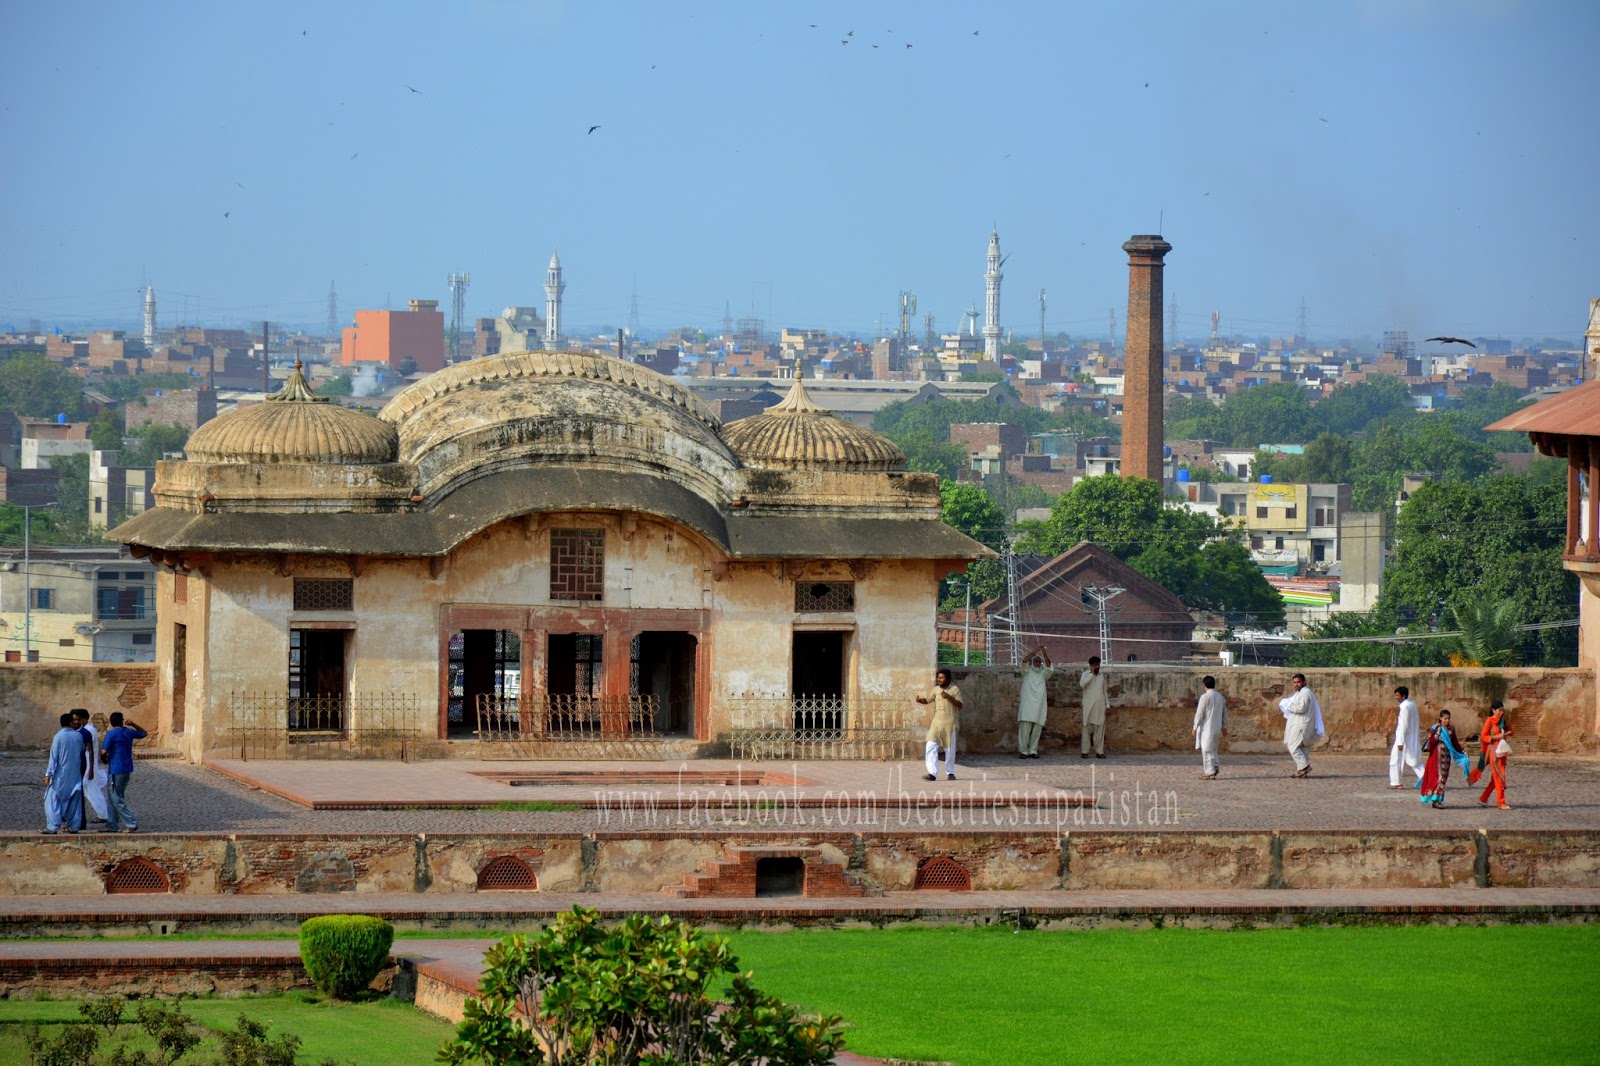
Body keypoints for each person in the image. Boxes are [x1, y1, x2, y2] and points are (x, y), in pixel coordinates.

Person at [99, 712, 148, 833]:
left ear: (111, 722)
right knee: (113, 797)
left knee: (116, 798)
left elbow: (103, 751)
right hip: (126, 768)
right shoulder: (128, 731)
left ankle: (131, 823)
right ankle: (112, 825)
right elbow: (144, 733)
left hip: (116, 769)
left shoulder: (111, 734)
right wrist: (133, 724)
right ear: (122, 721)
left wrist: (104, 759)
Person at [915, 668, 962, 781]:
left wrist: (949, 697)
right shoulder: (936, 690)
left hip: (949, 724)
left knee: (949, 750)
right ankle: (932, 773)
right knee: (930, 746)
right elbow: (928, 700)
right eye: (938, 677)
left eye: (941, 678)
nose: (939, 679)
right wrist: (921, 701)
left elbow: (960, 705)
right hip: (936, 724)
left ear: (947, 679)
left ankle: (950, 772)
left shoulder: (955, 690)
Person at [43, 713, 86, 835]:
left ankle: (52, 826)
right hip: (75, 773)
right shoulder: (78, 736)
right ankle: (74, 826)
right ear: (71, 723)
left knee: (51, 799)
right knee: (74, 799)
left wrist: (48, 774)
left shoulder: (58, 737)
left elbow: (54, 757)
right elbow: (82, 749)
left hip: (61, 774)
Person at [1417, 709, 1470, 807]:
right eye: (1445, 718)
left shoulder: (1451, 729)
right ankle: (1436, 800)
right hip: (1436, 757)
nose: (1447, 721)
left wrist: (1462, 751)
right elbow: (1431, 742)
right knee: (1438, 777)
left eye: (1448, 719)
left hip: (1446, 758)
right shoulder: (1436, 728)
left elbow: (1455, 743)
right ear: (1440, 718)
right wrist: (1437, 734)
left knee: (1443, 778)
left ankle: (1437, 799)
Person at [1278, 673, 1324, 778]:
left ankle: (1304, 767)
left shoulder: (1305, 693)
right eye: (1294, 682)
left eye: (1298, 682)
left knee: (1292, 746)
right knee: (1303, 748)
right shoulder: (1301, 693)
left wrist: (1288, 705)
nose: (1296, 684)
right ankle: (1302, 772)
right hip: (1302, 723)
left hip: (1301, 724)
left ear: (1304, 682)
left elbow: (1301, 708)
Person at [1472, 700, 1513, 810]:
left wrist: (1507, 732)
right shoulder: (1489, 721)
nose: (1501, 712)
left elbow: (1511, 730)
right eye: (1499, 710)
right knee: (1499, 775)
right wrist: (1496, 737)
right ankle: (1501, 802)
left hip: (1502, 750)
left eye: (1502, 710)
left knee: (1496, 777)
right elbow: (1484, 736)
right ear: (1493, 710)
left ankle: (1484, 798)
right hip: (1493, 751)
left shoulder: (1502, 720)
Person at [1016, 644, 1052, 760]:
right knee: (1024, 730)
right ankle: (1023, 751)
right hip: (1027, 705)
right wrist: (1035, 651)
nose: (1037, 663)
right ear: (1032, 663)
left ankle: (1033, 750)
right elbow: (1024, 660)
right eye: (1035, 661)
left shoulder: (1043, 674)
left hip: (1039, 706)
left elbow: (1049, 666)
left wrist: (1044, 654)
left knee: (1036, 731)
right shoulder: (1026, 672)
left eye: (1039, 662)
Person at [73, 708, 108, 826]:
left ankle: (103, 814)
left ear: (84, 719)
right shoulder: (86, 730)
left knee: (91, 790)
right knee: (90, 790)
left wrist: (91, 769)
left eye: (78, 719)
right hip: (87, 764)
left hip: (89, 765)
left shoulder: (88, 730)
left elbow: (90, 750)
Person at [1389, 686, 1424, 791]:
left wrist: (1400, 741)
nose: (1396, 698)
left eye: (1397, 695)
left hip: (1404, 738)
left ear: (1403, 696)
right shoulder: (1412, 705)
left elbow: (1403, 725)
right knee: (1414, 761)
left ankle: (1396, 782)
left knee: (1396, 760)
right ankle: (1427, 778)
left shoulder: (1404, 707)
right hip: (1411, 737)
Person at [1192, 675, 1227, 780]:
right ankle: (1215, 766)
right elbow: (1224, 714)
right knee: (1213, 748)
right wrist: (1224, 726)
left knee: (1206, 749)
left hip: (1207, 728)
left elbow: (1199, 713)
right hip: (1217, 727)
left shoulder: (1205, 697)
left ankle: (1210, 772)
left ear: (1204, 685)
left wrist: (1195, 726)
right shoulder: (1220, 697)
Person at [1079, 656, 1107, 759]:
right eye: (1095, 665)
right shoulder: (1085, 674)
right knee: (1086, 729)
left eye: (1098, 664)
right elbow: (1082, 685)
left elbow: (1104, 691)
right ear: (1090, 666)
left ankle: (1099, 752)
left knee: (1100, 730)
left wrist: (1106, 704)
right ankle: (1085, 751)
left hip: (1100, 706)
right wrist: (1091, 674)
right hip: (1088, 706)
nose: (1097, 666)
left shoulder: (1101, 676)